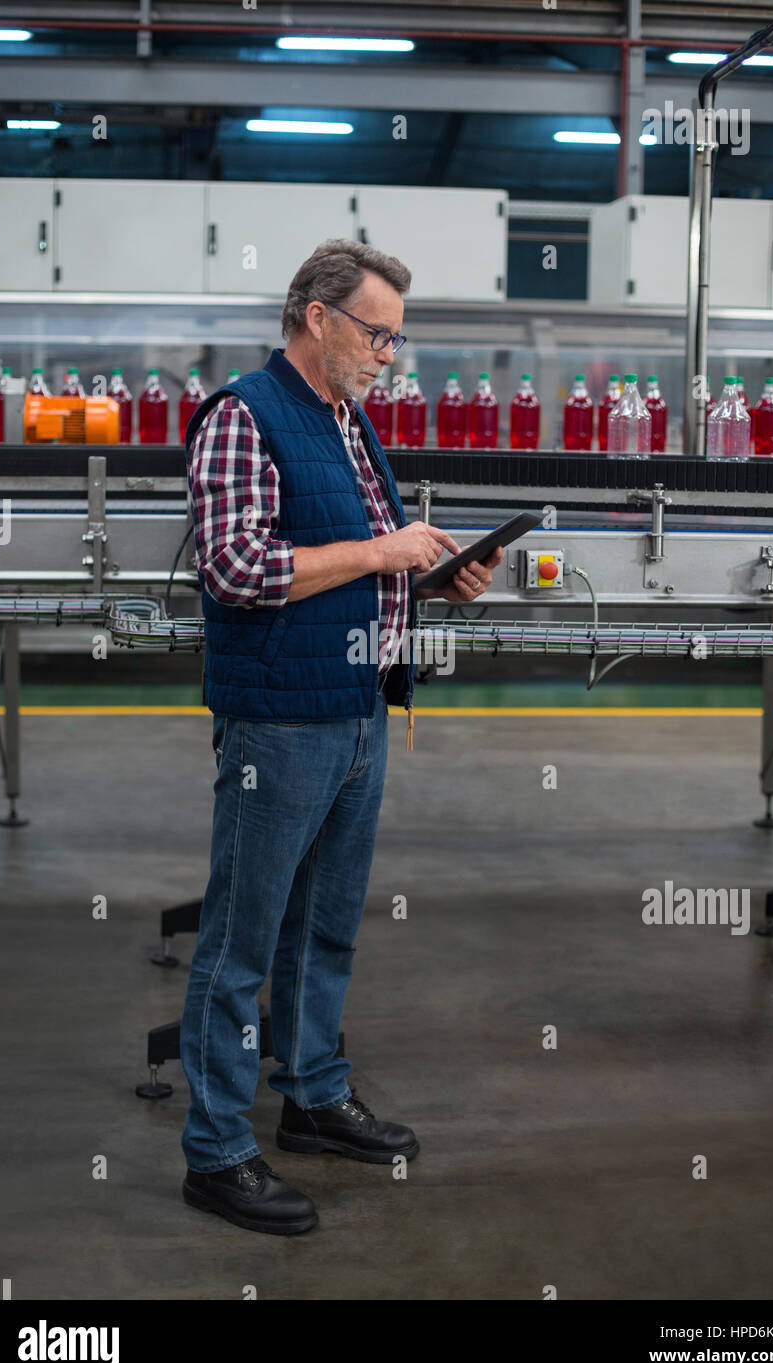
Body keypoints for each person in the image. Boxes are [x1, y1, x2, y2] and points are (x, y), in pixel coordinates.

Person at [180, 238, 502, 1235]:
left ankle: (312, 1095)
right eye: (377, 333)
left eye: (396, 339)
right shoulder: (243, 414)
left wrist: (429, 574)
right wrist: (383, 549)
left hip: (356, 707)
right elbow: (237, 567)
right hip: (278, 720)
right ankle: (216, 1150)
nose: (387, 356)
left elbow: (351, 559)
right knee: (240, 943)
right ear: (316, 318)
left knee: (322, 927)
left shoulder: (346, 420)